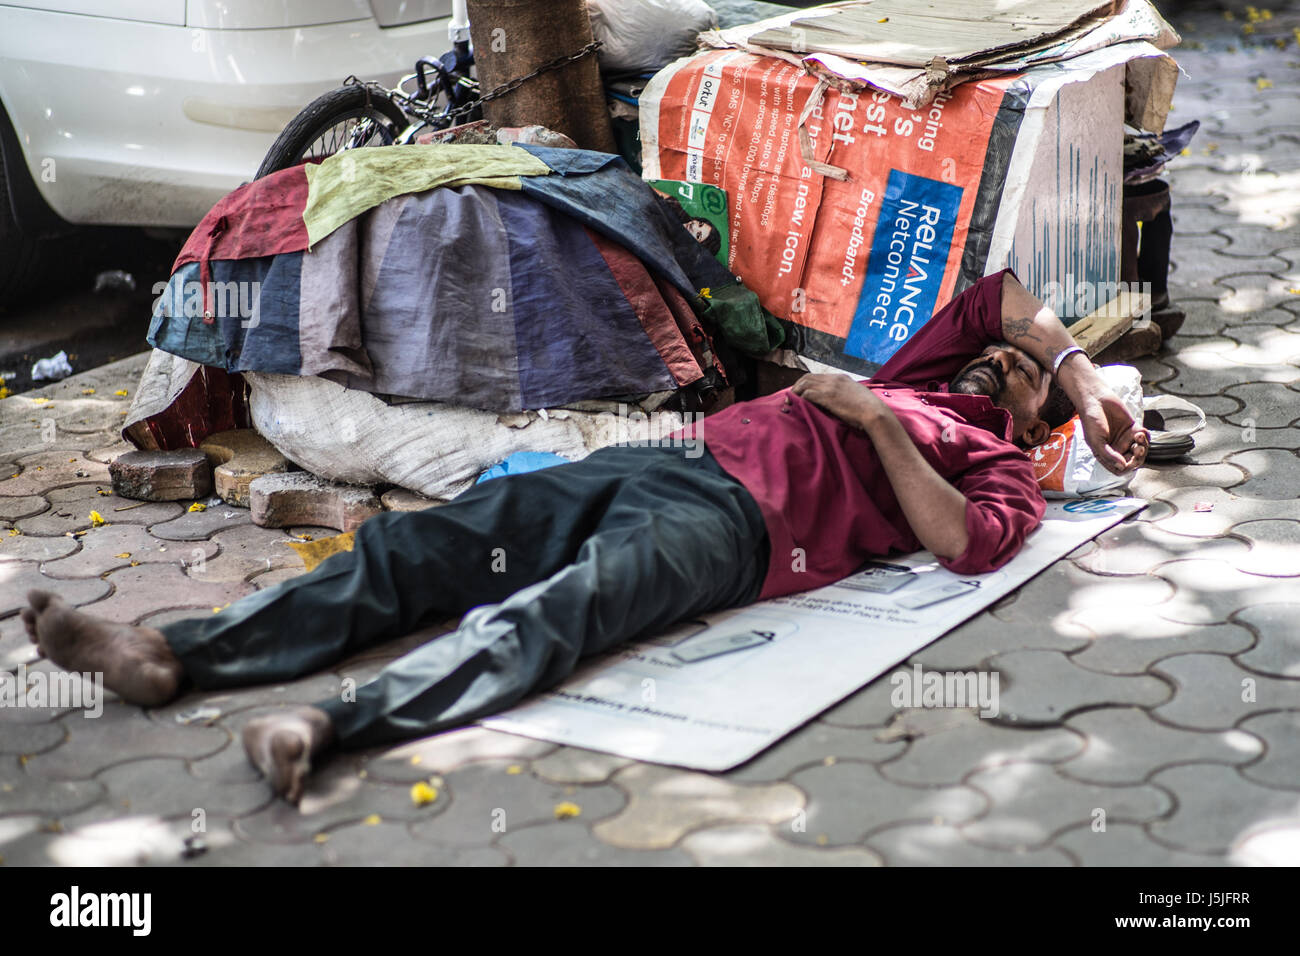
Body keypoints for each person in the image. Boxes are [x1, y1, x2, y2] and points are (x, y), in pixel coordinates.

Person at [22, 270, 1148, 803]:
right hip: (664, 460)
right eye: (1000, 360)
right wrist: (1078, 377)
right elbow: (1009, 302)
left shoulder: (992, 459)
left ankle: (328, 722)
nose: (995, 361)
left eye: (1013, 379)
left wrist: (872, 421)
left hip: (737, 525)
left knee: (550, 615)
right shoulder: (929, 366)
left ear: (1027, 427)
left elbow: (961, 542)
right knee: (428, 549)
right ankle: (179, 651)